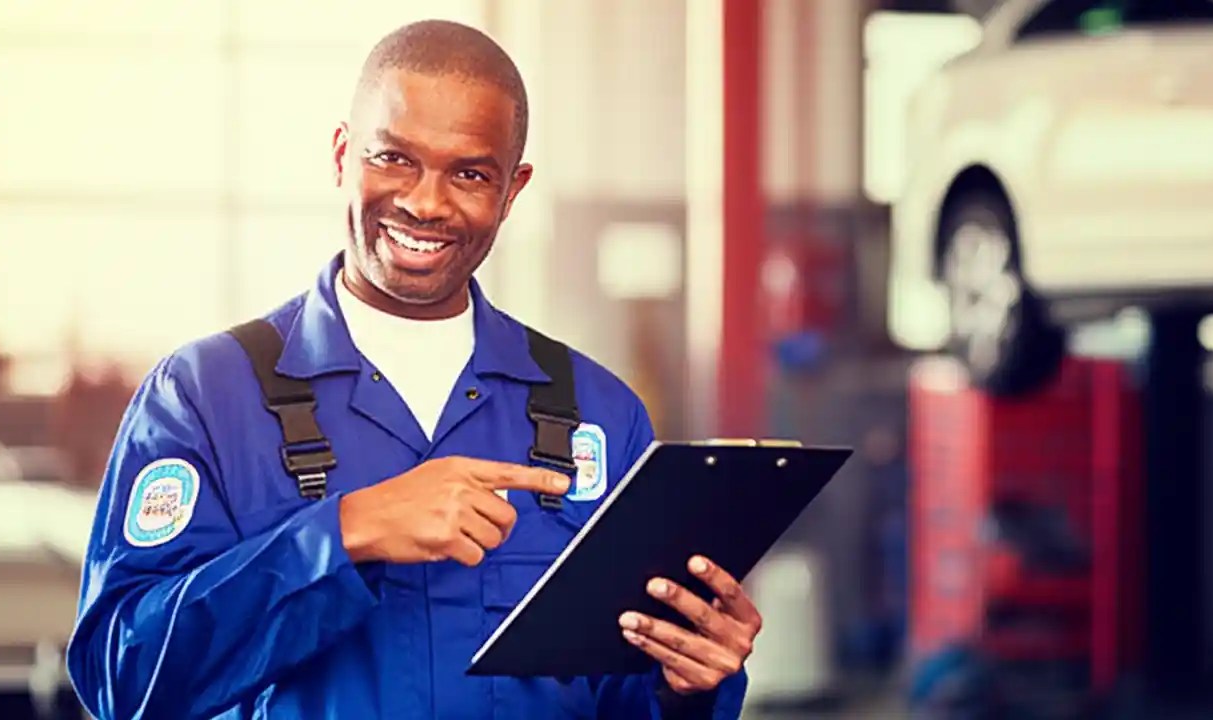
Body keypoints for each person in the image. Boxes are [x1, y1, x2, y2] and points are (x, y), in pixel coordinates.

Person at [66, 19, 761, 719]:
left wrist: (688, 685)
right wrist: (347, 531)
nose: (425, 203)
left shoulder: (598, 415)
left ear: (512, 189)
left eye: (469, 174)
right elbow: (120, 679)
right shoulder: (205, 397)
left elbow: (625, 696)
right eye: (394, 159)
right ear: (343, 155)